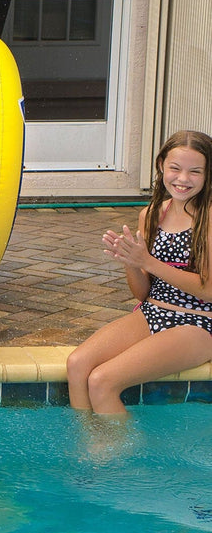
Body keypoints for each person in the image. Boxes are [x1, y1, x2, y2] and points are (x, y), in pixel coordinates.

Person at [67, 130, 212, 416]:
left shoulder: (208, 218)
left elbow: (208, 290)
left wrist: (149, 261)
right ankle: (86, 450)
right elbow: (143, 292)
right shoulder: (152, 213)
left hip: (199, 324)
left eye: (194, 171)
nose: (182, 179)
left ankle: (118, 459)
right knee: (77, 364)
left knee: (102, 381)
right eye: (175, 168)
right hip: (153, 311)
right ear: (161, 166)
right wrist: (131, 261)